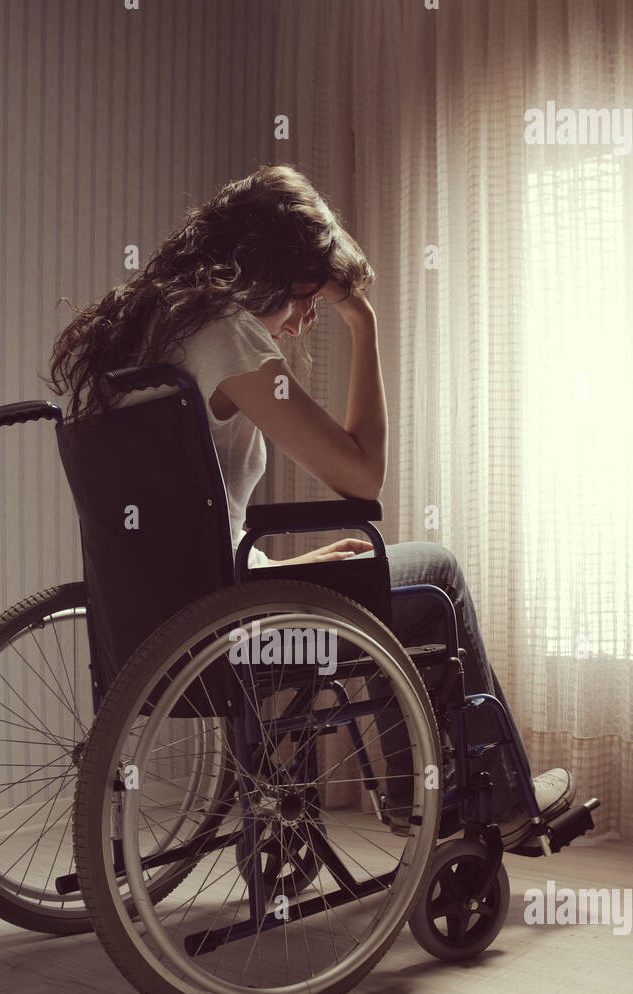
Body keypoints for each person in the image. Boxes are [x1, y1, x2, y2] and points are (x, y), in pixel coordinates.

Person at [42, 164, 574, 848]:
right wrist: (364, 326)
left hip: (149, 625)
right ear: (268, 270)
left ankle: (429, 794)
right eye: (306, 294)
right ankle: (494, 799)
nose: (305, 318)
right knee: (433, 572)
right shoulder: (225, 333)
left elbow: (186, 523)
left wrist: (294, 566)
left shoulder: (125, 338)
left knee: (366, 572)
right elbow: (360, 478)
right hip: (230, 633)